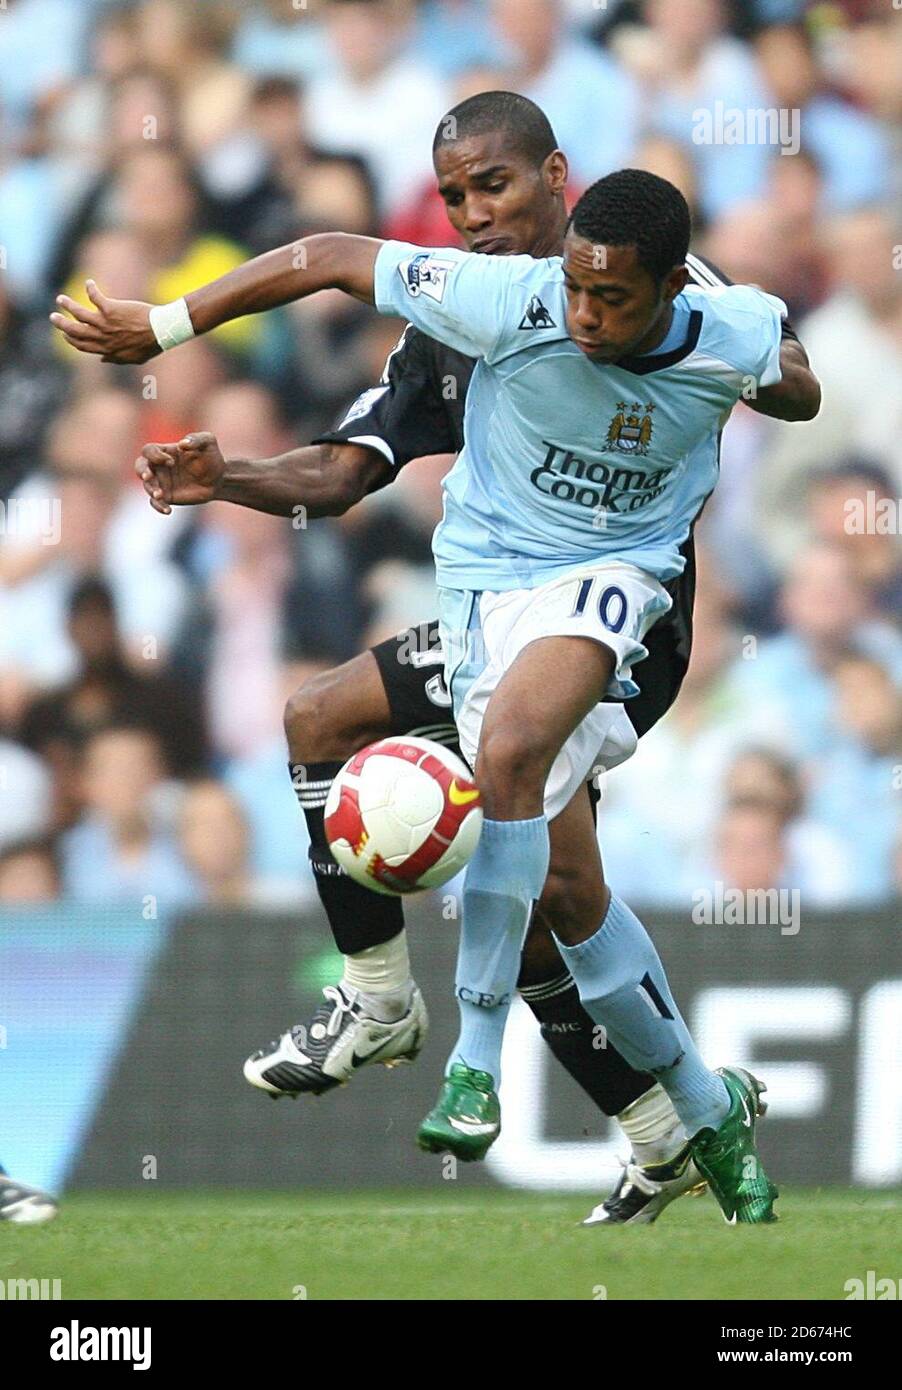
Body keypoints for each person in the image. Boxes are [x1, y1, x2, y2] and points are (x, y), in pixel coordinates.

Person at [52, 99, 820, 1225]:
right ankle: (392, 1005)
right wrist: (228, 476)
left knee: (520, 828)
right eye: (453, 196)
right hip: (489, 601)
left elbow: (780, 368)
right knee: (334, 729)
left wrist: (761, 375)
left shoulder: (676, 286)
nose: (470, 216)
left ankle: (596, 1098)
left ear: (556, 177)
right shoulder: (467, 311)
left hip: (624, 625)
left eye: (493, 188)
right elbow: (341, 469)